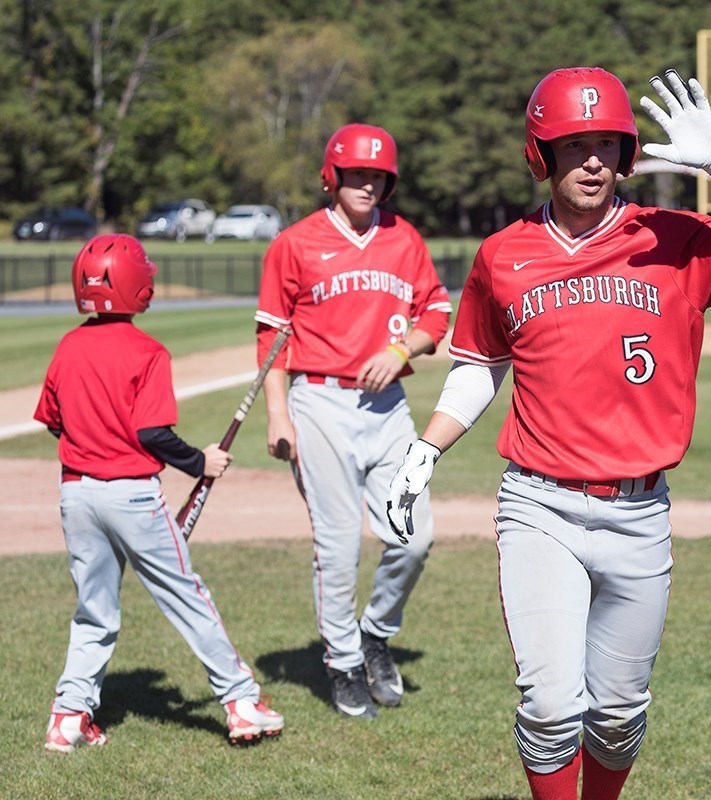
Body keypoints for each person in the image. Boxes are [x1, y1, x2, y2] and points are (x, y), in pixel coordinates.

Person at [385, 67, 711, 799]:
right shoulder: (502, 256)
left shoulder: (674, 240)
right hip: (538, 506)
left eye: (607, 145)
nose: (592, 161)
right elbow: (481, 365)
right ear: (539, 154)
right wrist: (427, 448)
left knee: (616, 717)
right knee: (551, 709)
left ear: (627, 153)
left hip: (640, 514)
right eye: (572, 145)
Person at [37, 234, 283, 752]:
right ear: (135, 286)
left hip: (77, 495)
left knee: (93, 609)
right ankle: (241, 703)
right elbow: (152, 433)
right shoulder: (147, 351)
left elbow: (55, 424)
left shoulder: (67, 345)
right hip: (131, 497)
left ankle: (69, 717)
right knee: (188, 599)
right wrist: (201, 461)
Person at [255, 122, 452, 720]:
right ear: (332, 177)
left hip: (389, 406)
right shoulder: (294, 243)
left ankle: (374, 634)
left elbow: (437, 311)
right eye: (357, 174)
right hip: (318, 405)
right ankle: (342, 663)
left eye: (378, 176)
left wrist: (401, 351)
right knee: (338, 547)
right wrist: (278, 415)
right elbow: (272, 338)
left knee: (415, 537)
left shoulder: (404, 239)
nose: (368, 185)